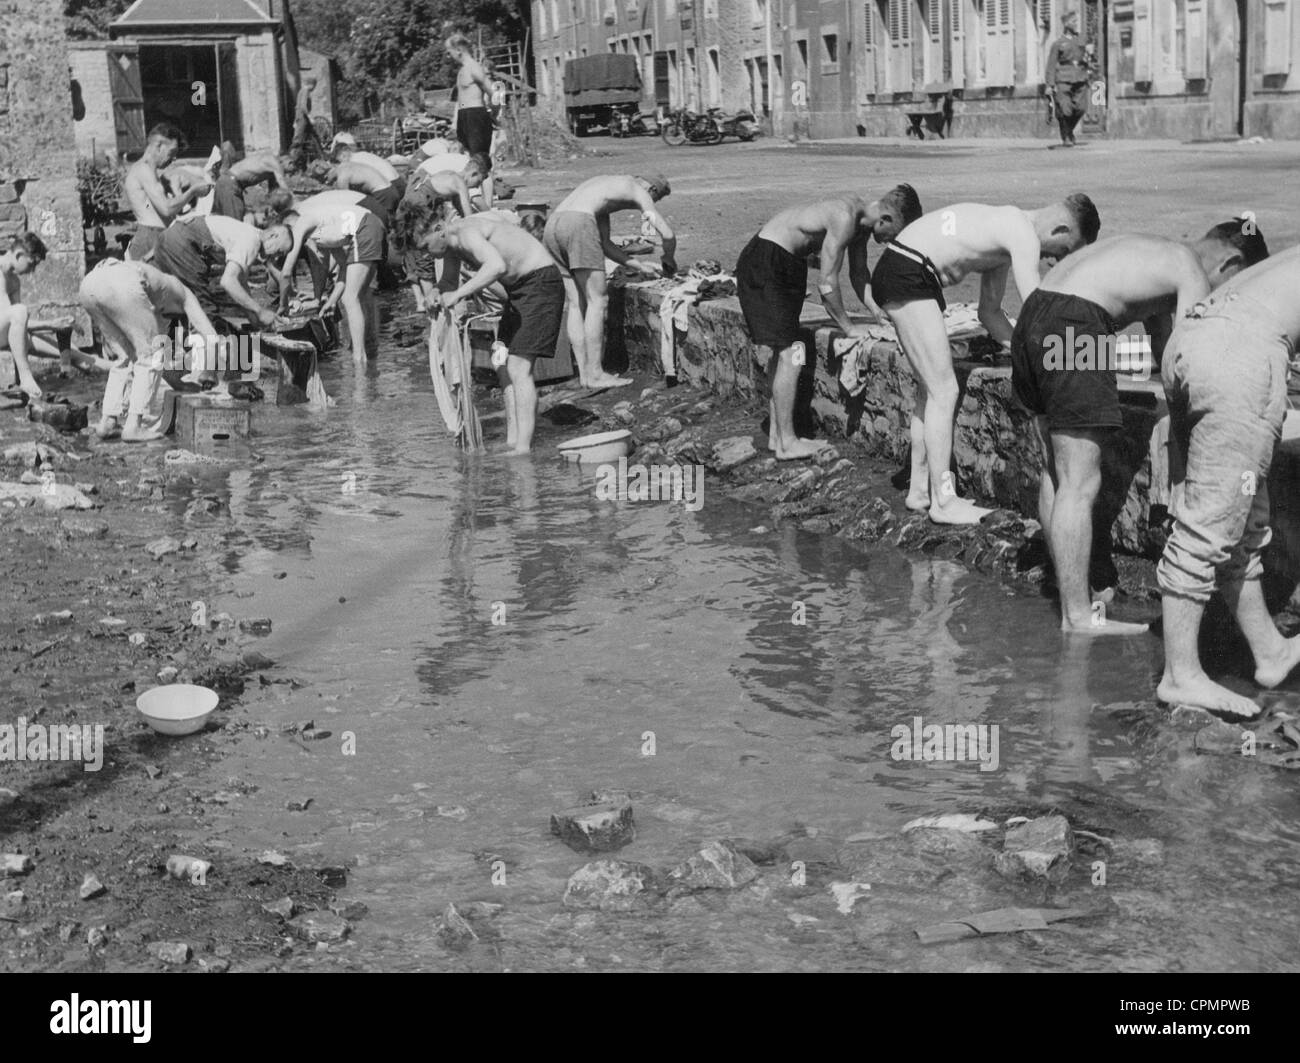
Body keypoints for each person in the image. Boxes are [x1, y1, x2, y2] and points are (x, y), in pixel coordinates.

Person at [1011, 221, 1269, 635]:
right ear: (1231, 261)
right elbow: (1193, 355)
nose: (1223, 298)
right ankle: (1077, 617)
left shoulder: (1155, 250)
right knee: (1079, 480)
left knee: (1056, 472)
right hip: (1075, 323)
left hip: (1034, 315)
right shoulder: (1191, 270)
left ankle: (1070, 591)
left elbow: (1166, 347)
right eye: (1231, 287)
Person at [873, 193, 1100, 524]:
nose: (1054, 261)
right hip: (908, 270)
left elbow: (990, 313)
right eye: (1064, 251)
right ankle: (944, 502)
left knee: (930, 390)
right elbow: (1039, 310)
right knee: (944, 390)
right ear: (1062, 228)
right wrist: (1076, 355)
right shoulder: (1021, 232)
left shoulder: (1007, 231)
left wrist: (1021, 350)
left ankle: (920, 491)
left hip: (901, 268)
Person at [1151, 243, 1300, 717]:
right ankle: (1181, 676)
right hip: (1239, 357)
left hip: (1195, 339)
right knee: (1209, 525)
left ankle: (1271, 653)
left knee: (1242, 514)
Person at [736, 186, 923, 460]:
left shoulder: (861, 226)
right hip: (767, 260)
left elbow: (859, 273)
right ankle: (788, 443)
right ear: (885, 219)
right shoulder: (844, 215)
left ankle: (778, 436)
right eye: (894, 235)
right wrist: (848, 327)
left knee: (786, 349)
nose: (889, 242)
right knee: (792, 354)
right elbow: (826, 284)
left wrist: (877, 312)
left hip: (788, 263)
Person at [414, 212, 564, 454]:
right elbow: (448, 282)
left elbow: (496, 266)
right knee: (501, 362)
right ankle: (513, 440)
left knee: (518, 368)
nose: (425, 254)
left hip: (541, 283)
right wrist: (436, 292)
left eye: (425, 246)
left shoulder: (466, 232)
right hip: (518, 291)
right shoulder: (451, 245)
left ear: (440, 228)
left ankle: (524, 448)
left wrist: (459, 294)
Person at [542, 174, 676, 389]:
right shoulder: (638, 190)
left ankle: (584, 373)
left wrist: (639, 266)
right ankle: (595, 374)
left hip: (554, 224)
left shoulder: (603, 189)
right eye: (656, 198)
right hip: (577, 225)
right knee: (598, 300)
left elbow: (604, 244)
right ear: (651, 189)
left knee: (577, 302)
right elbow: (667, 235)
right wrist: (668, 258)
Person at [81, 258, 221, 442]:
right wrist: (209, 373)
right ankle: (133, 427)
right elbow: (212, 337)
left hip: (90, 283)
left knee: (124, 357)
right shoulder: (185, 295)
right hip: (121, 283)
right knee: (152, 355)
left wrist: (179, 385)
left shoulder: (159, 288)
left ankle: (107, 422)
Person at [279, 194, 385, 362]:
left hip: (364, 226)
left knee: (350, 298)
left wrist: (282, 305)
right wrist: (327, 300)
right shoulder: (326, 234)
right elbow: (343, 268)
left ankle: (359, 357)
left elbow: (286, 271)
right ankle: (367, 350)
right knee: (358, 295)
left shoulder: (300, 223)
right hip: (372, 223)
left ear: (288, 226)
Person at [153, 214, 290, 328]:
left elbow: (240, 283)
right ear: (273, 235)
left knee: (174, 305)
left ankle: (174, 351)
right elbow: (228, 282)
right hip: (182, 243)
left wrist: (252, 317)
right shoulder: (252, 240)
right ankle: (209, 356)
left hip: (169, 238)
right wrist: (260, 311)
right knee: (203, 310)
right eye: (278, 251)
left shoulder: (249, 234)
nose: (275, 257)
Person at [123, 123, 210, 261]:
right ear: (158, 146)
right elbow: (166, 209)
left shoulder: (150, 172)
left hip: (155, 235)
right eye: (172, 152)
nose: (174, 158)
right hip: (150, 238)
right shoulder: (143, 170)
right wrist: (193, 192)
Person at [446, 33, 496, 208]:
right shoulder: (462, 70)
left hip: (476, 116)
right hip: (464, 116)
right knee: (467, 161)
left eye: (450, 51)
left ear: (458, 50)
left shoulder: (474, 67)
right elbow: (460, 99)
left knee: (481, 163)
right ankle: (474, 201)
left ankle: (488, 206)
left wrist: (496, 114)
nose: (449, 55)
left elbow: (494, 91)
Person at [0, 233, 49, 397]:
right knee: (20, 310)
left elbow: (19, 325)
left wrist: (54, 326)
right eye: (32, 263)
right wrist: (50, 325)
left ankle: (96, 363)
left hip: (2, 333)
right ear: (20, 254)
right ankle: (26, 377)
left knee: (35, 337)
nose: (32, 270)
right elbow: (15, 315)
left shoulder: (14, 281)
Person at [1045, 12, 1092, 148]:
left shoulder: (1081, 40)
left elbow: (1089, 58)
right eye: (1073, 21)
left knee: (1081, 108)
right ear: (1066, 24)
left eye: (1077, 21)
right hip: (1063, 79)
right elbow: (1051, 65)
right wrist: (1050, 84)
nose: (1076, 24)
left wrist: (1089, 56)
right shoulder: (1058, 44)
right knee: (1066, 110)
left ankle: (1068, 131)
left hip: (1080, 77)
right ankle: (1066, 135)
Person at [289, 75, 324, 170]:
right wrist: (309, 117)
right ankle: (292, 165)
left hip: (302, 119)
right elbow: (303, 107)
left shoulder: (302, 91)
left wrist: (295, 121)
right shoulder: (305, 91)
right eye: (315, 86)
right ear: (312, 85)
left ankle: (322, 160)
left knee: (314, 138)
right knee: (298, 142)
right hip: (303, 119)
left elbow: (297, 107)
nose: (314, 88)